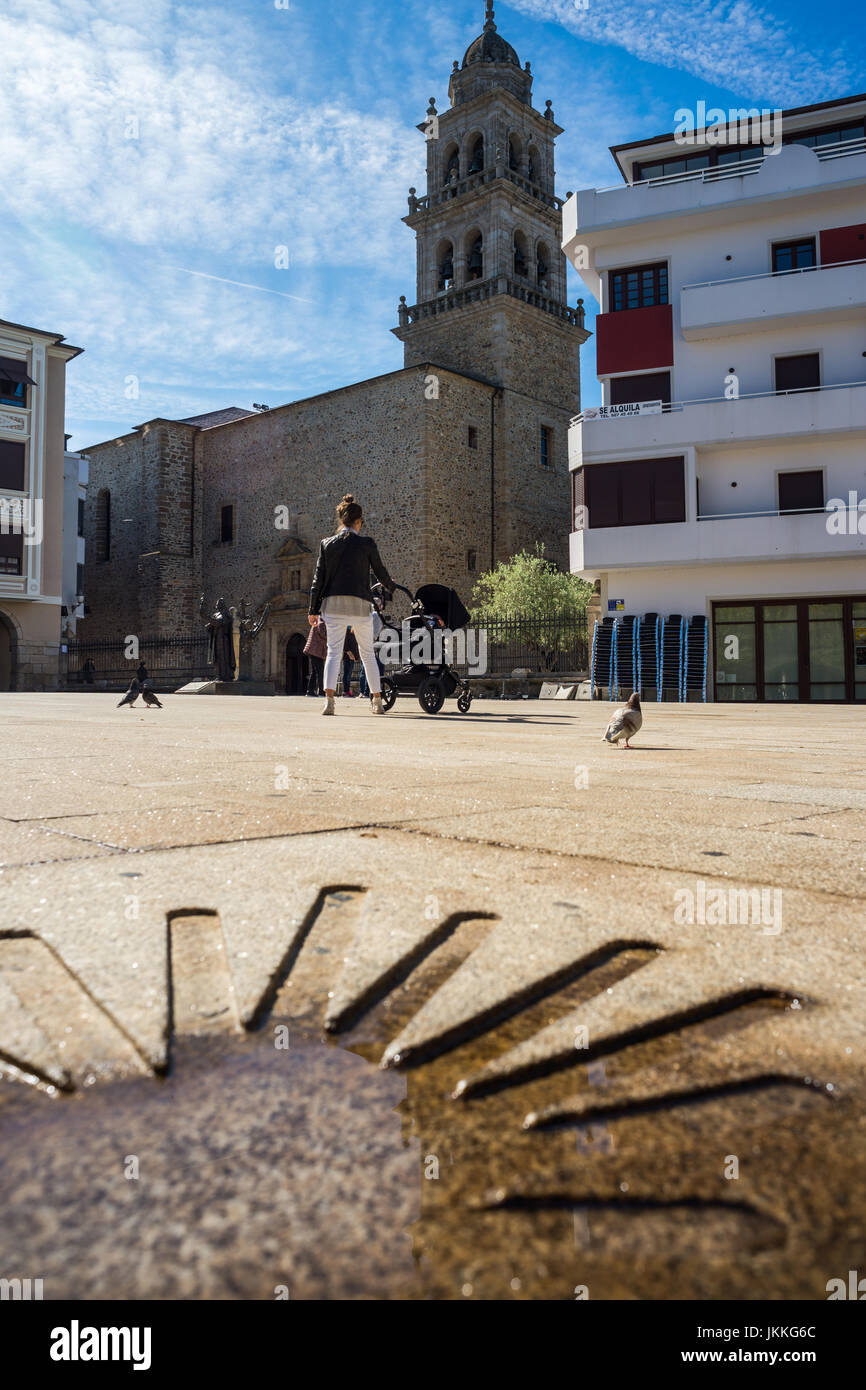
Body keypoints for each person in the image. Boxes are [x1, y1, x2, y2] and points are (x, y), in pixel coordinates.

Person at [308, 494, 393, 716]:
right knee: (367, 654)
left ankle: (329, 701)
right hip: (360, 605)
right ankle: (376, 701)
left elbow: (318, 578)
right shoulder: (367, 544)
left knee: (333, 652)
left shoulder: (326, 544)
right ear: (358, 521)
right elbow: (380, 571)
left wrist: (313, 609)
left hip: (333, 605)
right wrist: (391, 586)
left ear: (341, 520)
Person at [304, 617, 327, 697]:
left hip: (313, 650)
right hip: (316, 651)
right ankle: (321, 692)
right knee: (320, 671)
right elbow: (324, 635)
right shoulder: (321, 623)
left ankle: (310, 691)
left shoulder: (317, 622)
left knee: (314, 671)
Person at [342, 627, 360, 697]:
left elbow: (355, 646)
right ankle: (345, 691)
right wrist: (349, 653)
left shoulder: (354, 633)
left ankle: (347, 691)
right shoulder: (347, 631)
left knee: (348, 675)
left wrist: (356, 656)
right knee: (346, 675)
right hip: (347, 657)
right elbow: (345, 644)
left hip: (352, 657)